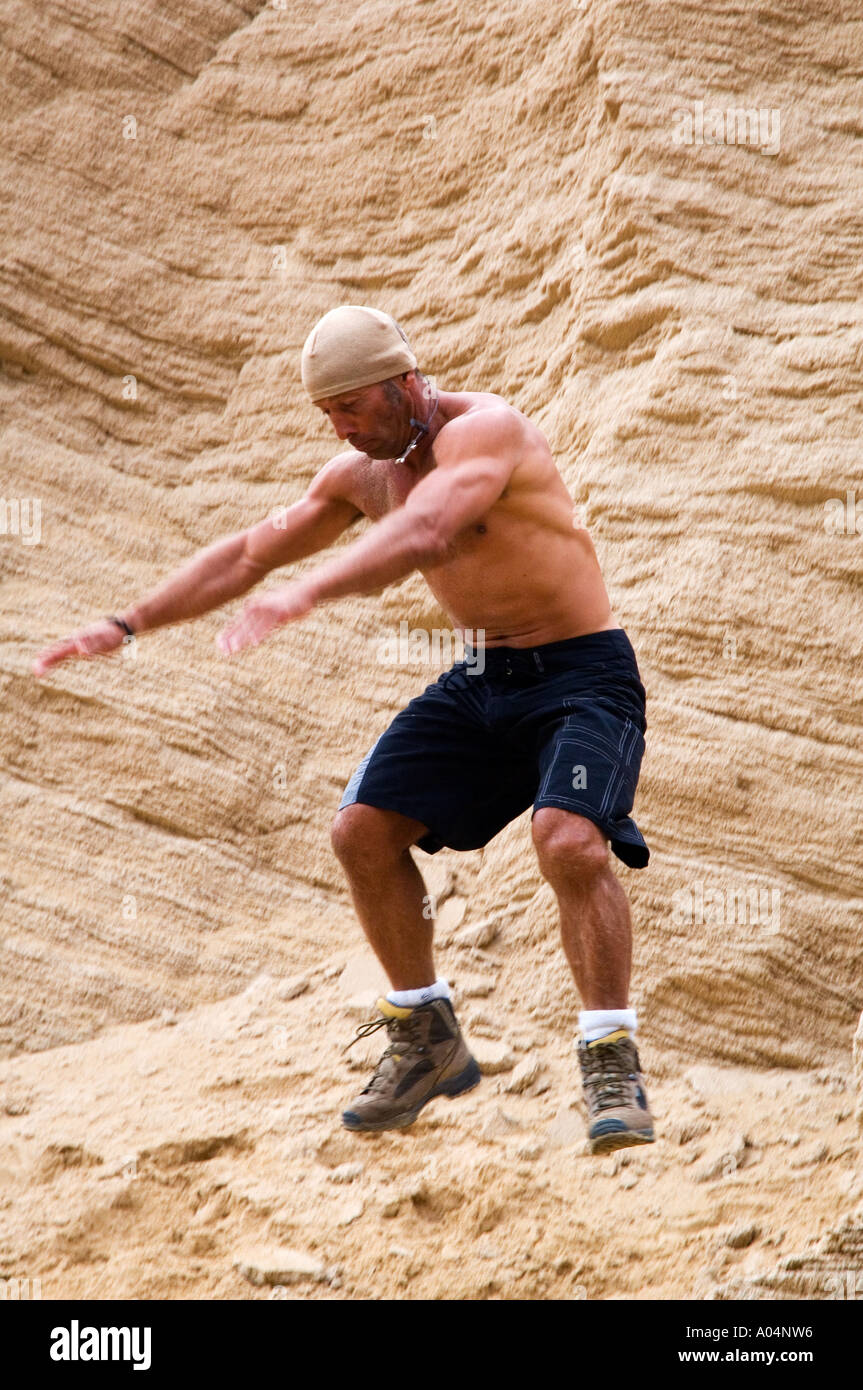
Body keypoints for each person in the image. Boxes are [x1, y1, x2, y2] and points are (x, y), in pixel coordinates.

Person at [33, 304, 654, 1154]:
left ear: (405, 383)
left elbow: (429, 526)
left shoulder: (488, 431)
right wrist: (127, 623)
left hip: (583, 673)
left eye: (353, 406)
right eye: (327, 414)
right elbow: (250, 553)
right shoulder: (357, 475)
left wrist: (312, 591)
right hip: (484, 678)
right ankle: (425, 1038)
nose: (341, 427)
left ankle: (609, 1057)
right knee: (360, 831)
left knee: (570, 843)